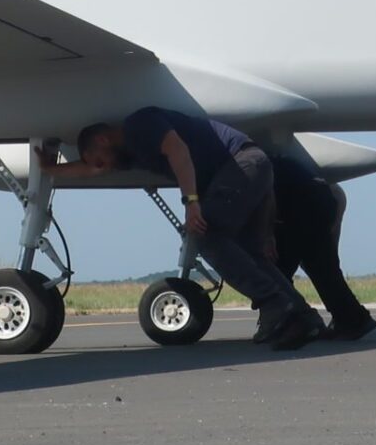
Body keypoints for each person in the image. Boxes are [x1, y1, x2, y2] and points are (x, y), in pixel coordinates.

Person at [52, 107, 328, 350]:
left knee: (205, 234)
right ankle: (304, 318)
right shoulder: (138, 152)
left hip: (239, 166)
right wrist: (48, 168)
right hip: (254, 165)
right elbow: (90, 169)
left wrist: (191, 202)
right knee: (252, 252)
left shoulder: (139, 124)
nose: (103, 168)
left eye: (99, 160)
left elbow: (177, 150)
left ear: (103, 139)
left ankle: (273, 303)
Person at [270, 151, 376, 342]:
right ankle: (352, 319)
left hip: (302, 205)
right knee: (322, 267)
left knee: (278, 271)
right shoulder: (270, 161)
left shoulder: (244, 167)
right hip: (320, 198)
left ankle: (299, 321)